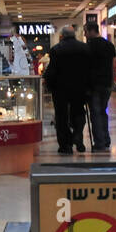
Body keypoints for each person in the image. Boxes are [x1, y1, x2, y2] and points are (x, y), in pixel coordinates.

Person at [43, 26, 91, 154]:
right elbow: (90, 69)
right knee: (79, 112)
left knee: (61, 116)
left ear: (62, 36)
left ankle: (65, 145)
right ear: (74, 35)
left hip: (61, 88)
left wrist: (49, 84)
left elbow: (52, 71)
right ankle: (78, 136)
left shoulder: (56, 50)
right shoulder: (85, 48)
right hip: (80, 87)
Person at [84, 21, 116, 152]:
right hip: (107, 83)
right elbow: (113, 65)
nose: (85, 34)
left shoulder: (88, 46)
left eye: (86, 31)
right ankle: (106, 139)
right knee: (103, 111)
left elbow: (86, 68)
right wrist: (112, 80)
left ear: (92, 31)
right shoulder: (109, 45)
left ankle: (100, 142)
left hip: (94, 84)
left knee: (95, 113)